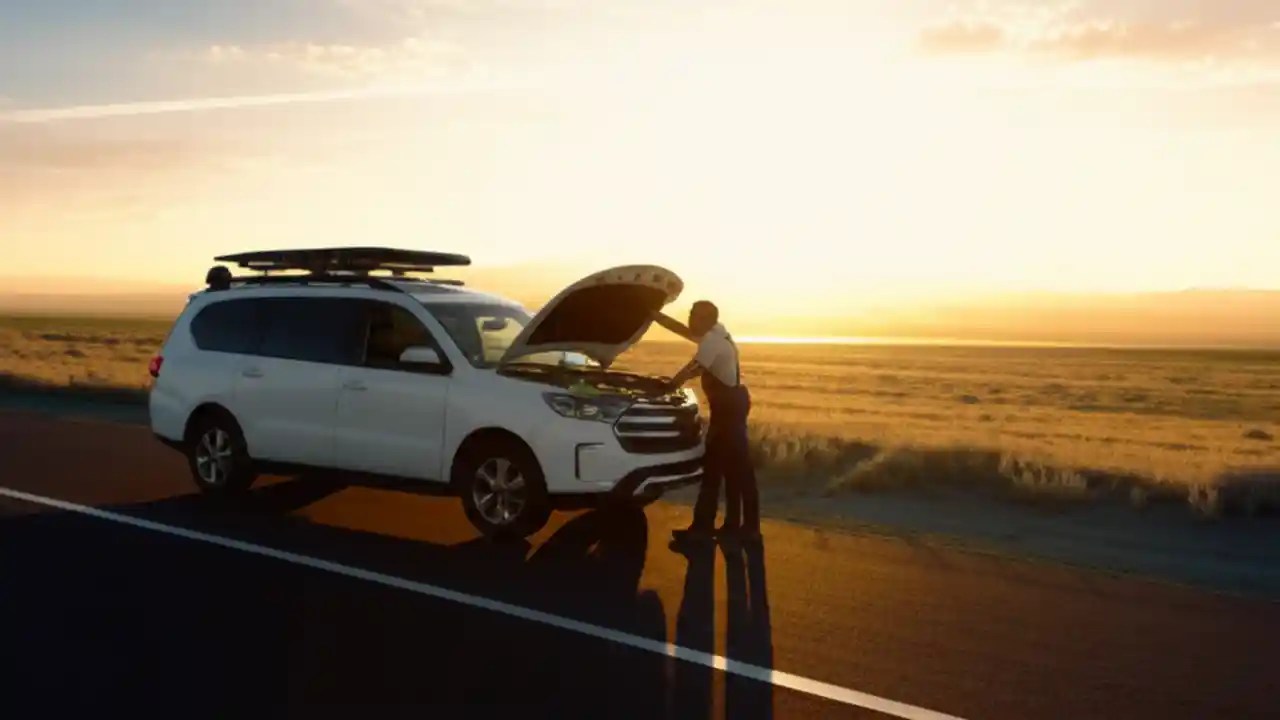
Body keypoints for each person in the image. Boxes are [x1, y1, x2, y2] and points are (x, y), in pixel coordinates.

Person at [650, 301, 760, 544]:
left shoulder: (712, 341)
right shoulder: (717, 332)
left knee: (720, 471)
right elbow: (683, 331)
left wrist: (669, 386)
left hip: (728, 411)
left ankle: (705, 530)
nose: (689, 317)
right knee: (734, 470)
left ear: (707, 319)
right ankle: (737, 527)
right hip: (733, 407)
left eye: (694, 314)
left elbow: (693, 368)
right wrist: (656, 316)